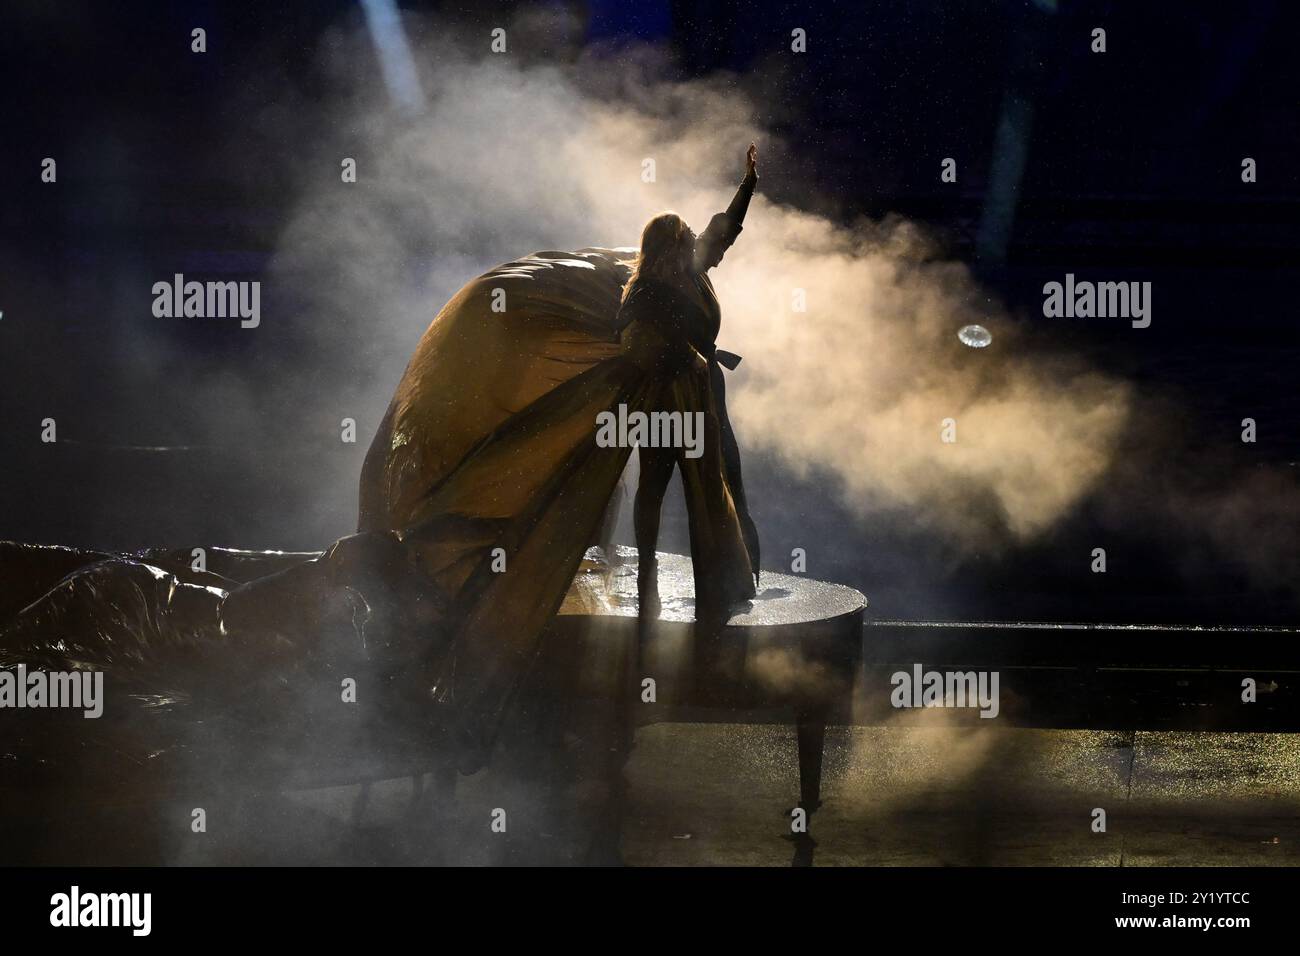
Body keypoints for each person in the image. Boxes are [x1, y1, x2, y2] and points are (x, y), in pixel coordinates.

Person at [617, 142, 762, 624]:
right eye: (684, 239)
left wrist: (748, 185)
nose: (695, 244)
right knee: (654, 483)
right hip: (665, 397)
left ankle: (738, 575)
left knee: (726, 476)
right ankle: (646, 573)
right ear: (668, 247)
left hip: (705, 392)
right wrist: (682, 359)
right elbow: (633, 342)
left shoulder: (693, 268)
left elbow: (724, 230)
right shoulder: (644, 290)